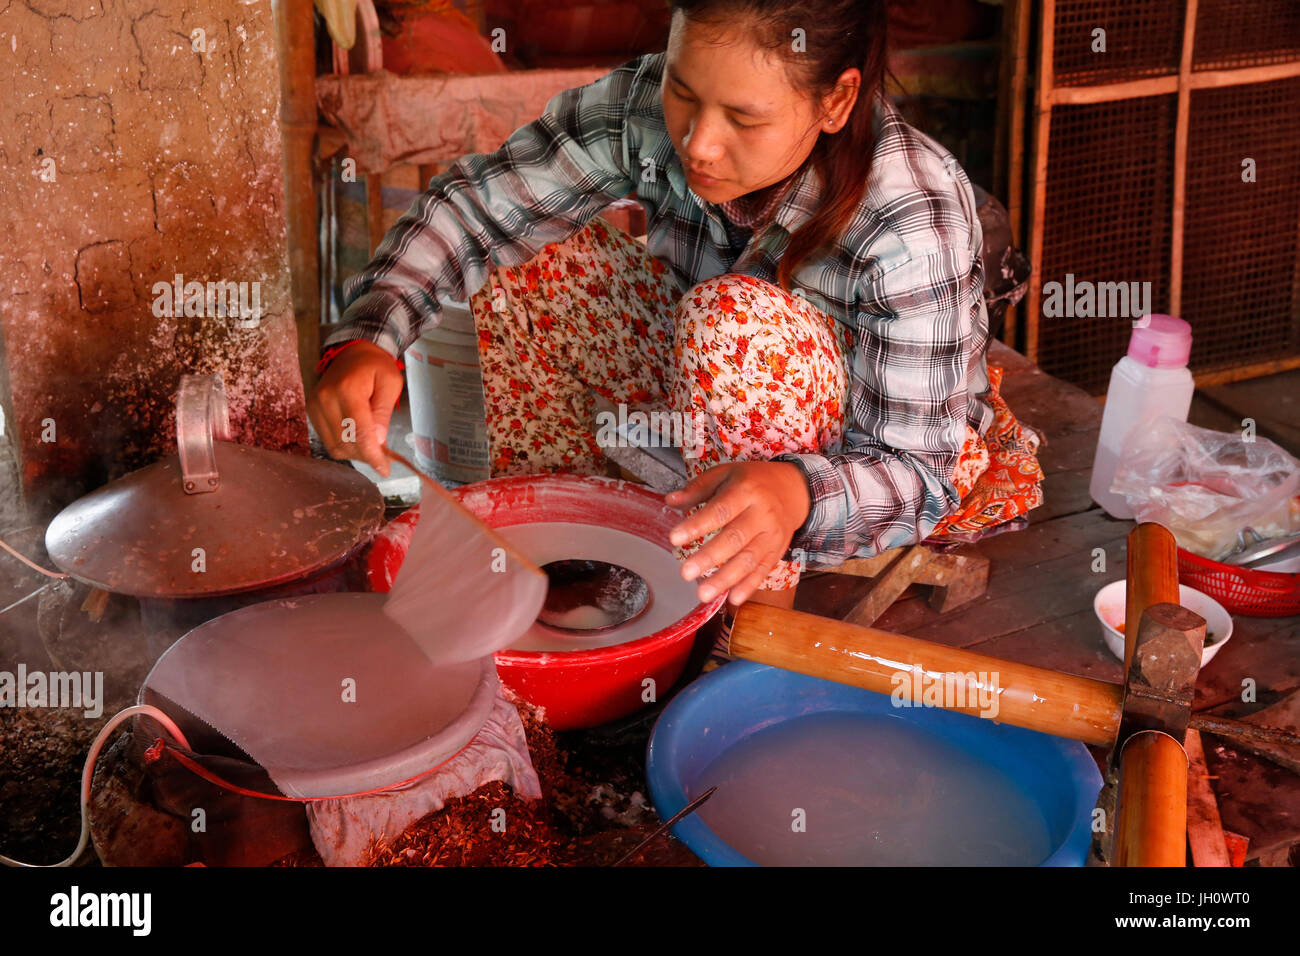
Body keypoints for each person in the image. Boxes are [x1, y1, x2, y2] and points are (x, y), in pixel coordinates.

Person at [308, 0, 1044, 617]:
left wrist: (796, 492)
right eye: (684, 92)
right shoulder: (646, 104)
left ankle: (745, 633)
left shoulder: (909, 212)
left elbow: (921, 467)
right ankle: (572, 554)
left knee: (735, 326)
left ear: (836, 100)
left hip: (867, 458)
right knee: (532, 258)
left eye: (743, 119)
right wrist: (370, 334)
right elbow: (479, 210)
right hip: (702, 393)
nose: (698, 143)